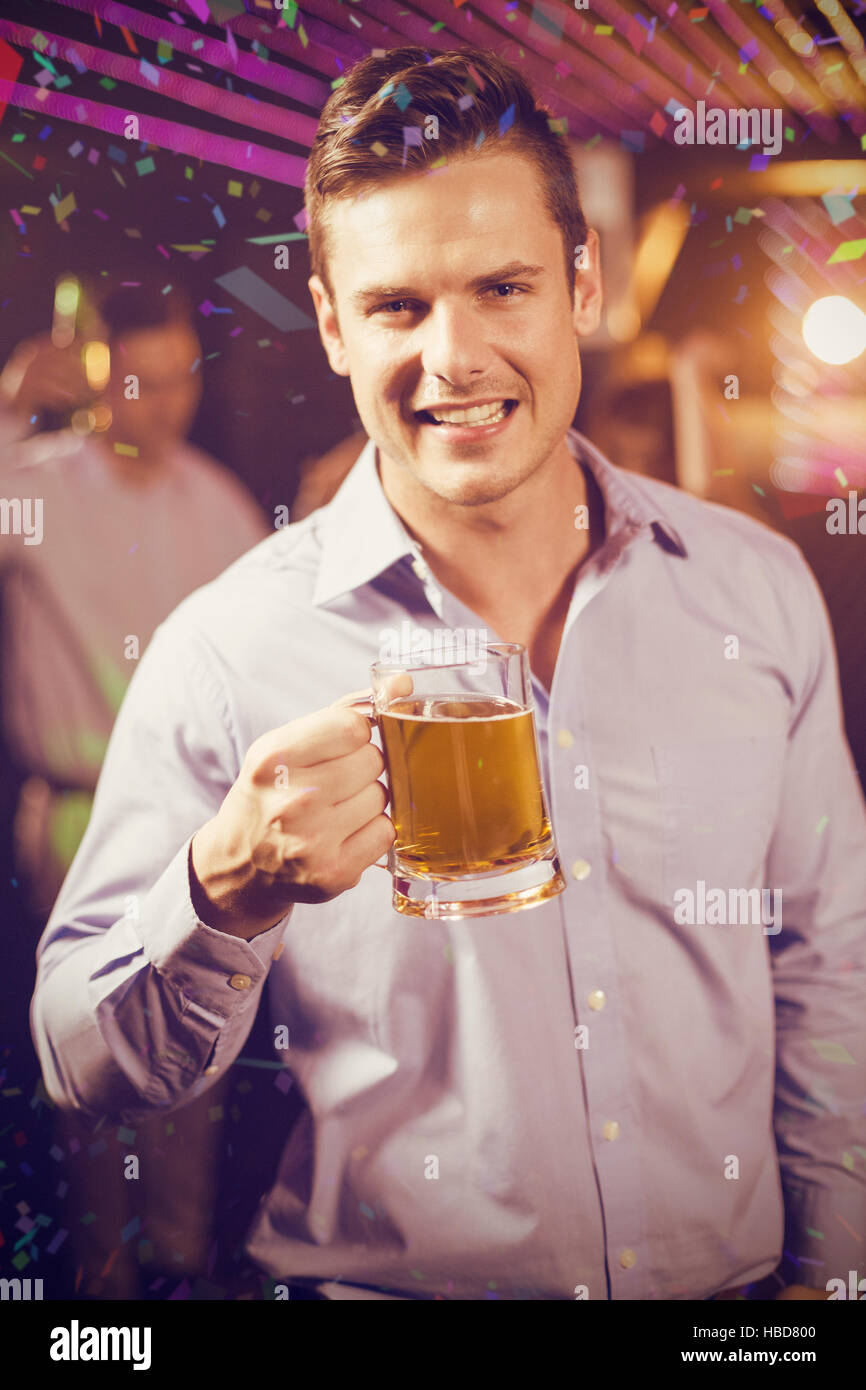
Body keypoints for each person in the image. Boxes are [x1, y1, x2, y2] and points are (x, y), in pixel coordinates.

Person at [30, 47, 865, 1302]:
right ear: (328, 323)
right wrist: (220, 887)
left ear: (578, 283)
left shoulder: (752, 589)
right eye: (397, 307)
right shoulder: (228, 647)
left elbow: (828, 976)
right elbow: (77, 1056)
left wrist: (830, 1276)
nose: (454, 357)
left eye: (502, 288)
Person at [2, 281, 269, 1297]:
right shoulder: (37, 479)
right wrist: (9, 402)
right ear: (92, 372)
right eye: (134, 384)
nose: (158, 407)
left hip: (197, 823)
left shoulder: (222, 504)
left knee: (193, 1065)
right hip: (70, 814)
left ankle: (181, 1266)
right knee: (86, 1070)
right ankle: (102, 1288)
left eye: (175, 382)